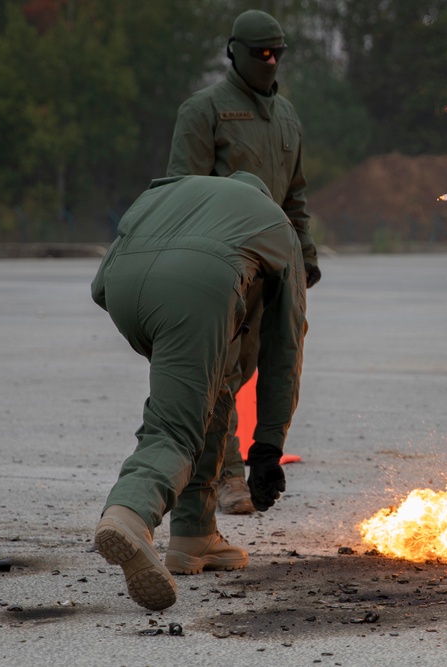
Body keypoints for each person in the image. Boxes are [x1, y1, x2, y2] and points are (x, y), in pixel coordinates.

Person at [91, 172, 306, 611]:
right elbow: (285, 343)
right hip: (195, 287)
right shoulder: (276, 225)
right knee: (176, 428)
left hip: (123, 289)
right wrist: (267, 446)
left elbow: (99, 287)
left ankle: (194, 535)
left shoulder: (173, 192)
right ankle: (130, 514)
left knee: (211, 395)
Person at [166, 9, 320, 515]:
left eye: (277, 53)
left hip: (274, 268)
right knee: (220, 373)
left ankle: (244, 463)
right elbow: (182, 194)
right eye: (260, 53)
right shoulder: (205, 110)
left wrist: (306, 255)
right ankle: (226, 477)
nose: (269, 61)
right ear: (234, 51)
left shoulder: (289, 116)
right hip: (222, 266)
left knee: (260, 367)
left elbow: (293, 195)